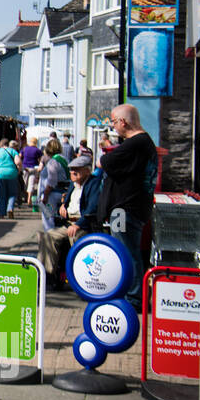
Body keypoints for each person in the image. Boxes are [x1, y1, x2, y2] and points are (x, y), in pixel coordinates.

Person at [96, 104, 158, 309]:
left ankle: (134, 298)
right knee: (128, 251)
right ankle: (134, 295)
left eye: (113, 122)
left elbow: (106, 161)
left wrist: (103, 160)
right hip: (133, 208)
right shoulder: (145, 142)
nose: (113, 127)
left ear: (123, 122)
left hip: (125, 210)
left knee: (125, 252)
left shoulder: (136, 143)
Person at [37, 156, 102, 288]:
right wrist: (63, 206)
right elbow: (68, 201)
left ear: (87, 171)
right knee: (47, 235)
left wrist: (78, 225)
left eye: (76, 170)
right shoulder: (74, 184)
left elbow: (92, 208)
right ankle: (48, 275)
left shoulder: (93, 184)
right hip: (68, 223)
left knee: (76, 238)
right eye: (71, 170)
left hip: (83, 224)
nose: (72, 173)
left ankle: (80, 278)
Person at [38, 138, 70, 233]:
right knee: (57, 218)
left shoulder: (53, 161)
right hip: (63, 192)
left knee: (48, 217)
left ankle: (50, 236)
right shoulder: (64, 159)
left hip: (52, 195)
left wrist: (45, 197)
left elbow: (52, 181)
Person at [0, 138, 20, 218]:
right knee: (12, 194)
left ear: (0, 145)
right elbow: (18, 162)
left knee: (1, 195)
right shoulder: (13, 151)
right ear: (8, 144)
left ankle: (2, 213)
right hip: (12, 173)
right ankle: (10, 208)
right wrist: (18, 170)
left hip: (0, 174)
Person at [21, 137, 43, 206]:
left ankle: (24, 196)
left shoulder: (24, 149)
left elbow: (20, 156)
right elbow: (41, 160)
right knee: (31, 184)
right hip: (34, 168)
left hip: (25, 168)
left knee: (25, 183)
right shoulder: (37, 150)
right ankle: (29, 198)